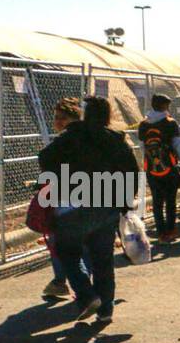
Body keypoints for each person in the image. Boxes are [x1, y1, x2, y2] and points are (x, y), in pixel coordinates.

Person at [38, 96, 137, 325]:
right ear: (108, 115)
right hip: (107, 206)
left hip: (73, 204)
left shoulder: (71, 135)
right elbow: (132, 171)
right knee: (103, 260)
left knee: (67, 252)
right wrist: (125, 202)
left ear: (84, 114)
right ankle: (106, 311)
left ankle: (86, 295)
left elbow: (45, 158)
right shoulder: (116, 138)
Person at [40, 97, 91, 301]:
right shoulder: (88, 137)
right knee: (80, 243)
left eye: (62, 117)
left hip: (70, 197)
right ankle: (64, 282)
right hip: (87, 194)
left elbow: (45, 159)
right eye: (56, 117)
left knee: (62, 244)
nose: (57, 121)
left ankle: (75, 285)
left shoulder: (67, 140)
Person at [136, 93, 180, 245]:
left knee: (157, 202)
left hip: (151, 169)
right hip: (169, 169)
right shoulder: (170, 123)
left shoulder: (143, 124)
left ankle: (161, 233)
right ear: (164, 106)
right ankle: (171, 230)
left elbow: (142, 147)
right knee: (170, 200)